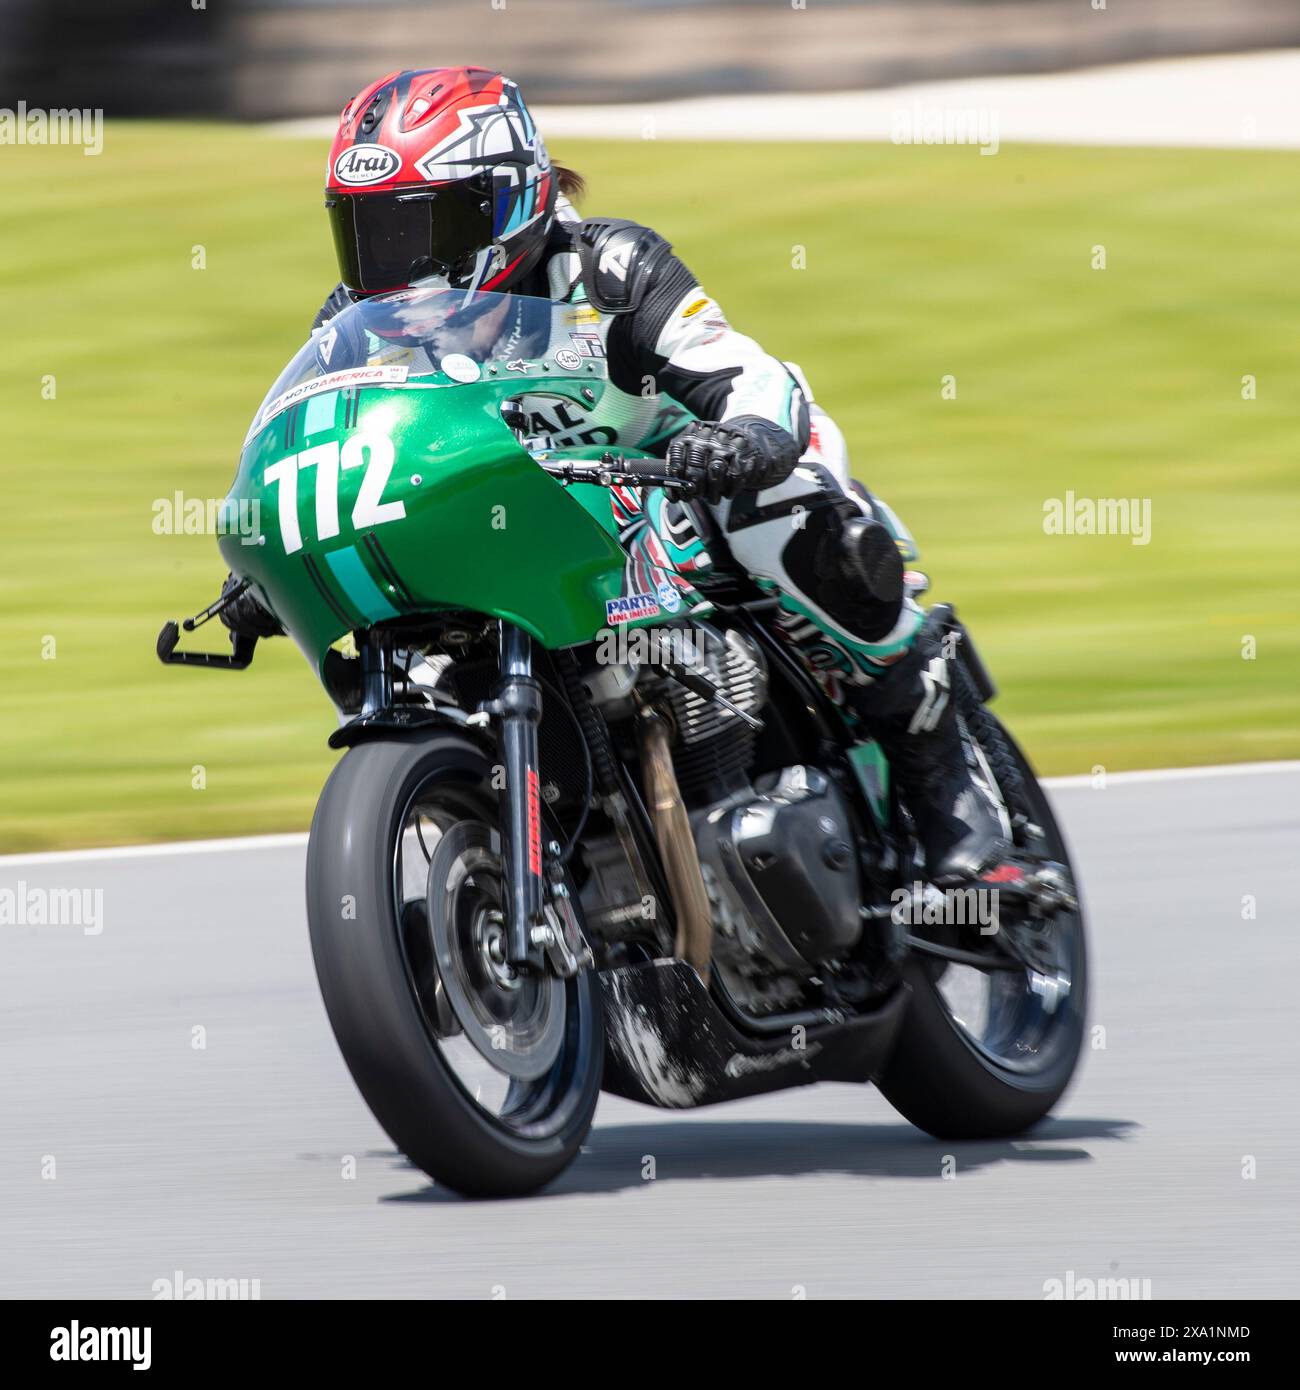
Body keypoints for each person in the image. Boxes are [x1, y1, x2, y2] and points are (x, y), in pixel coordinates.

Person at [227, 66, 1004, 884]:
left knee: (779, 515)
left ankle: (945, 783)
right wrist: (269, 558)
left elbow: (746, 375)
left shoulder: (610, 272)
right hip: (538, 540)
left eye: (421, 234)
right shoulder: (360, 329)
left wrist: (739, 439)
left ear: (505, 203)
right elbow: (332, 449)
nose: (396, 273)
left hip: (685, 496)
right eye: (371, 236)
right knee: (422, 661)